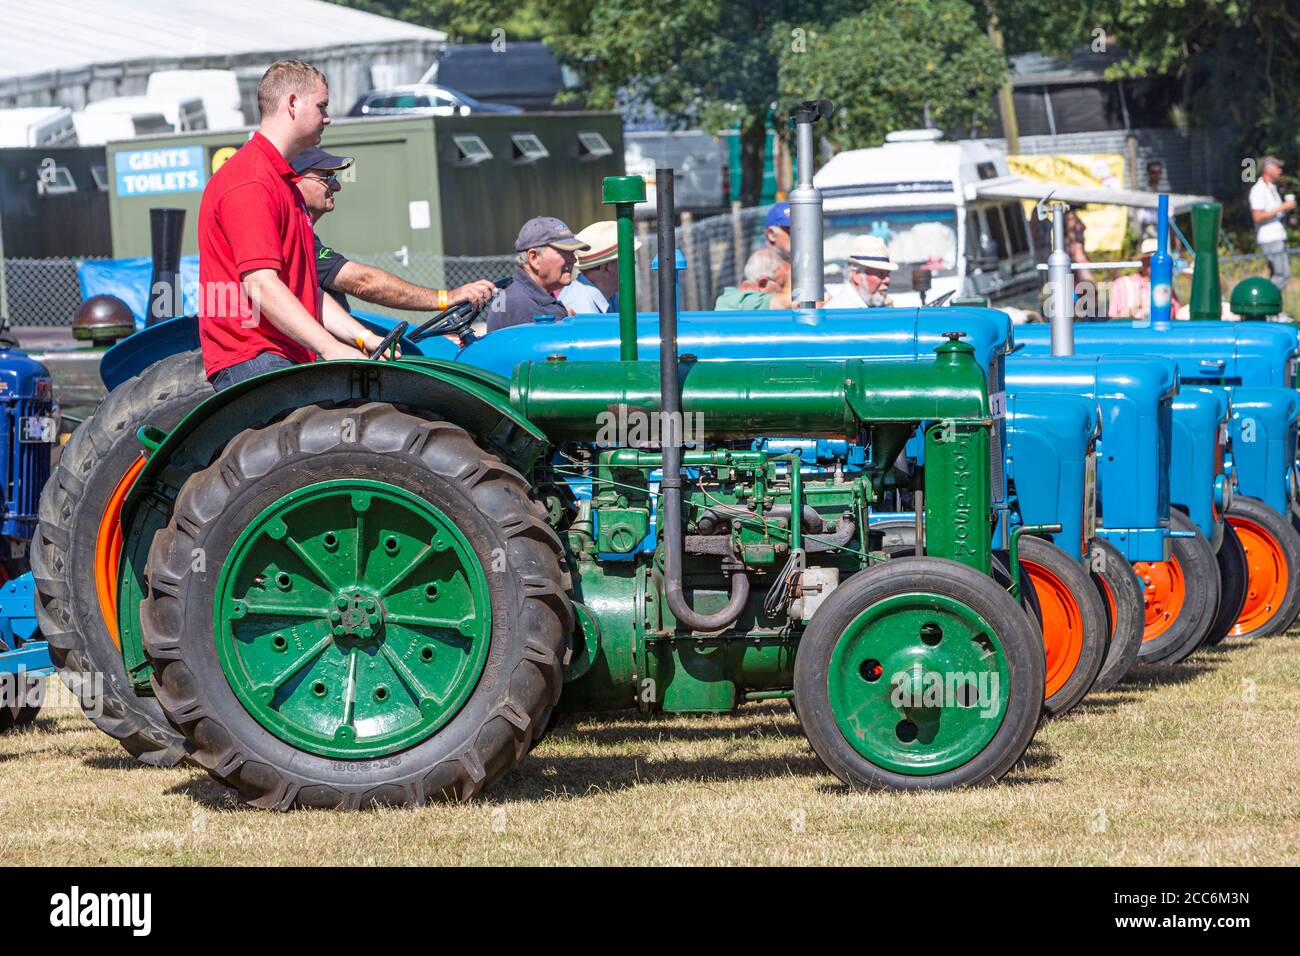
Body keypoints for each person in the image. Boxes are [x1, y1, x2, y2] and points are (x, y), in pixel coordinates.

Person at [197, 59, 374, 391]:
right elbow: (261, 285)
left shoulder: (282, 182)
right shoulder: (250, 182)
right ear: (292, 103)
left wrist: (362, 337)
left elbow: (304, 292)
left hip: (280, 355)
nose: (328, 117)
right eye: (321, 106)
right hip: (255, 358)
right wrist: (330, 347)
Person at [291, 145, 495, 315]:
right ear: (296, 181)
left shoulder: (305, 234)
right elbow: (364, 283)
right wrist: (447, 298)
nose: (337, 187)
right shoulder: (294, 238)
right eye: (327, 177)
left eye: (334, 178)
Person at [486, 216, 589, 333]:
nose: (573, 259)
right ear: (534, 257)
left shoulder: (523, 295)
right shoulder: (522, 306)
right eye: (565, 252)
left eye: (573, 252)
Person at [557, 220, 640, 314]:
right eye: (627, 260)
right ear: (606, 267)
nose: (634, 263)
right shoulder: (581, 308)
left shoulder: (609, 295)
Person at [1249, 155, 1295, 292]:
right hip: (1270, 238)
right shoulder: (1258, 189)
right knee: (1282, 275)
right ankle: (1265, 305)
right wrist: (1283, 207)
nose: (1280, 170)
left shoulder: (1272, 188)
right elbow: (1257, 216)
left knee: (1279, 274)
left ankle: (1273, 311)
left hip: (1278, 236)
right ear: (1268, 169)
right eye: (1277, 167)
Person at [1108, 237, 1180, 320]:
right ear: (1144, 262)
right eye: (1151, 262)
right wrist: (1137, 306)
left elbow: (1177, 314)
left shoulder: (1166, 285)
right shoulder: (1122, 284)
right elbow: (1114, 319)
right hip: (1132, 331)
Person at [824, 235, 897, 309]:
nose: (887, 280)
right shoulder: (840, 311)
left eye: (887, 274)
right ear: (857, 276)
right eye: (880, 274)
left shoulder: (877, 304)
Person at [714, 247, 792, 310]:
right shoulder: (739, 302)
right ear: (763, 284)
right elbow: (793, 303)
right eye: (784, 285)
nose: (792, 290)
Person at [1135, 160, 1166, 238]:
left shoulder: (1164, 191)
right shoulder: (1143, 191)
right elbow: (1141, 216)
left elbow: (1169, 215)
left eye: (1159, 172)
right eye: (1153, 172)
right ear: (1148, 173)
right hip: (1147, 229)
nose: (1156, 175)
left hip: (1163, 228)